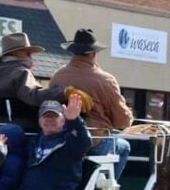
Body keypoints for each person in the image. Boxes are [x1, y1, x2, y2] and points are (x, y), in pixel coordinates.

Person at [49, 28, 132, 179]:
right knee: (124, 146)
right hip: (92, 142)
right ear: (94, 54)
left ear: (73, 52)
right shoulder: (105, 80)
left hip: (61, 140)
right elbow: (123, 121)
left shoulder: (57, 76)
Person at [0, 32, 68, 131]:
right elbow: (33, 96)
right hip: (20, 128)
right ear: (14, 53)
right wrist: (63, 92)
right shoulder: (20, 72)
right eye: (27, 52)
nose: (31, 56)